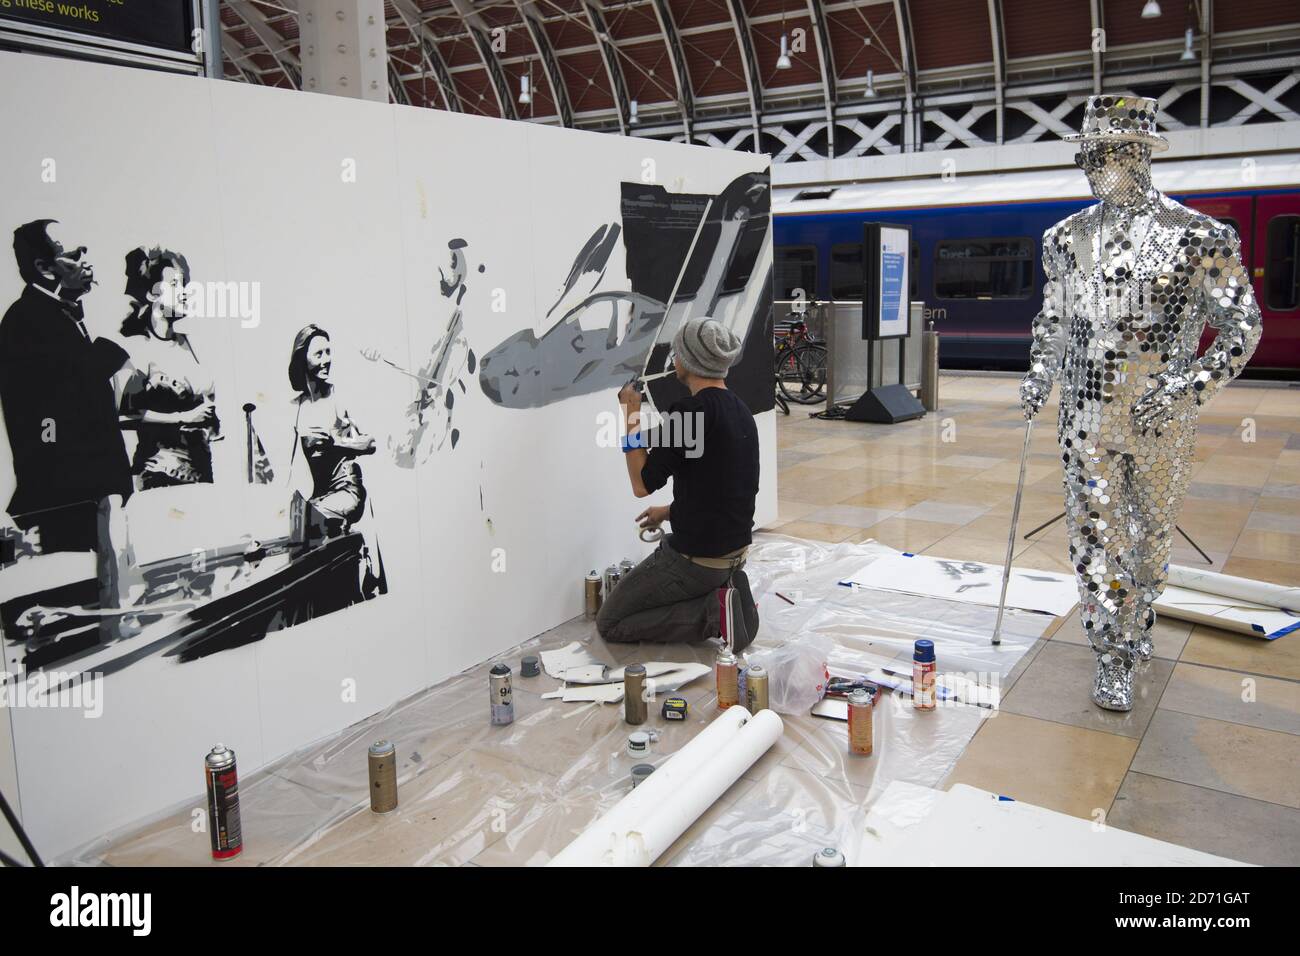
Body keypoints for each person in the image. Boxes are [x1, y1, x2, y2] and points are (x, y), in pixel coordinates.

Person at [1019, 94, 1262, 712]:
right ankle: (1112, 653)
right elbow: (1054, 319)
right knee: (1096, 535)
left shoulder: (1199, 239)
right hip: (1085, 419)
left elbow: (1243, 327)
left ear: (1136, 156)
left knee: (1152, 537)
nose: (1090, 167)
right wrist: (1040, 374)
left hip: (1161, 422)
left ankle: (1140, 615)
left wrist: (1187, 386)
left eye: (1100, 155)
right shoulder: (1065, 239)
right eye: (1086, 156)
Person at [597, 316, 760, 651]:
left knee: (611, 622)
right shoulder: (739, 410)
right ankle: (729, 593)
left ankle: (716, 615)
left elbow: (642, 484)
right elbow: (722, 488)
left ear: (687, 360)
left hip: (699, 561)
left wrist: (630, 412)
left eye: (676, 353)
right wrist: (670, 511)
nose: (673, 360)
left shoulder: (690, 413)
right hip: (733, 552)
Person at [0, 220, 132, 552]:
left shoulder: (60, 311)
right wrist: (109, 355)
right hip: (66, 497)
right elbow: (61, 401)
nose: (86, 260)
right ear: (44, 267)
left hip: (90, 490)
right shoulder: (25, 320)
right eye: (73, 254)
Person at [117, 246, 219, 489]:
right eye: (176, 286)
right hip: (159, 474)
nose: (185, 293)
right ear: (152, 294)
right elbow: (122, 415)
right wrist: (181, 418)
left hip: (201, 471)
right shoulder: (136, 349)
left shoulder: (192, 344)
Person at [287, 324, 376, 536]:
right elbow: (289, 466)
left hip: (347, 491)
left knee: (307, 521)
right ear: (302, 359)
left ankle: (339, 530)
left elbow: (370, 444)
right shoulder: (297, 407)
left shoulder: (337, 397)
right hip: (318, 496)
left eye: (328, 352)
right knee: (292, 522)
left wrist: (337, 441)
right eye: (319, 353)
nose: (326, 359)